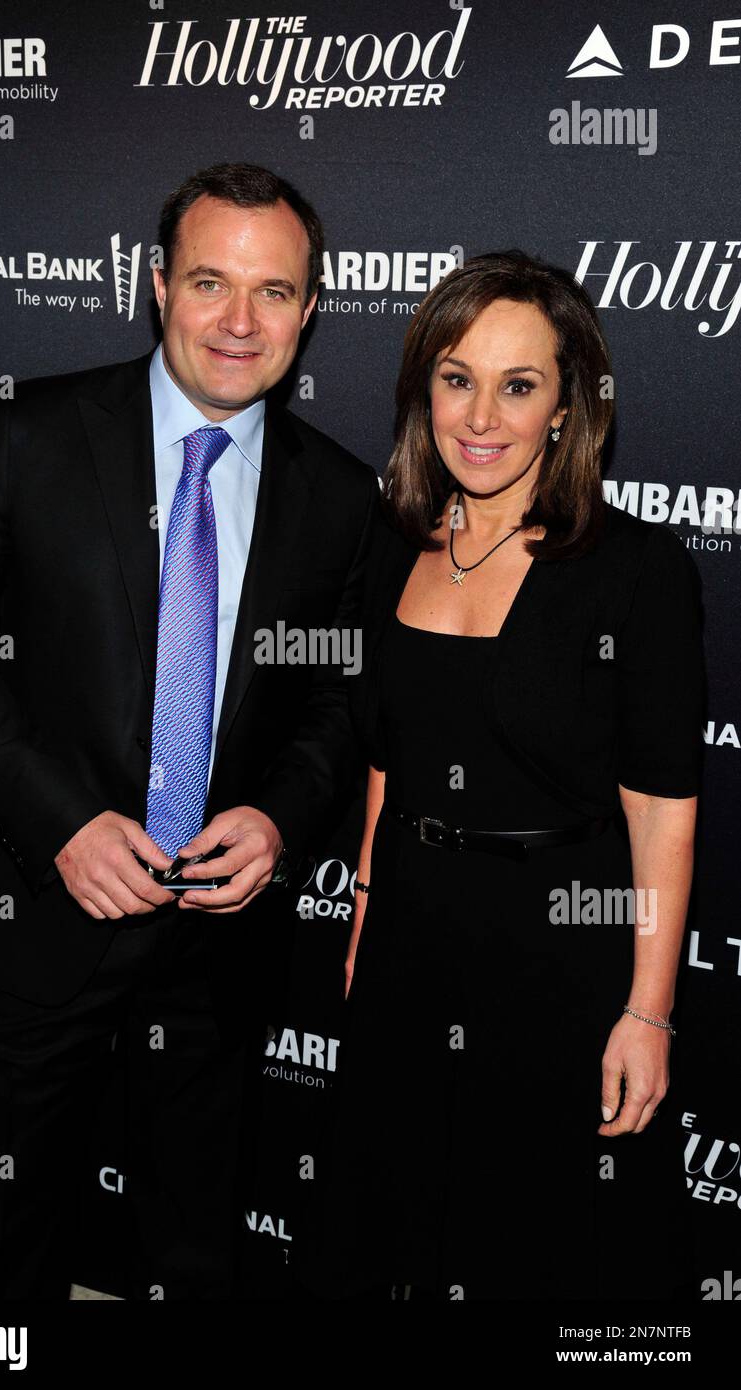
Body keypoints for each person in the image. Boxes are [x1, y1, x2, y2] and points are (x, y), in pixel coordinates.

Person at [0, 162, 380, 1299]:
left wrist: (278, 816)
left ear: (311, 308)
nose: (239, 322)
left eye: (273, 291)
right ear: (157, 287)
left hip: (217, 948)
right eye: (210, 281)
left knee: (196, 1250)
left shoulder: (342, 497)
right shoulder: (26, 432)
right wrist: (62, 825)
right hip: (28, 918)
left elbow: (338, 696)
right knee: (6, 1257)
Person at [293, 249, 705, 1301]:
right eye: (456, 377)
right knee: (392, 1222)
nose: (482, 415)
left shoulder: (633, 570)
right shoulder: (392, 545)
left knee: (539, 1239)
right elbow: (386, 759)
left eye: (518, 385)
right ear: (422, 386)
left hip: (557, 950)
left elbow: (660, 813)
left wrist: (646, 1014)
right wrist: (363, 918)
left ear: (566, 407)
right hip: (409, 940)